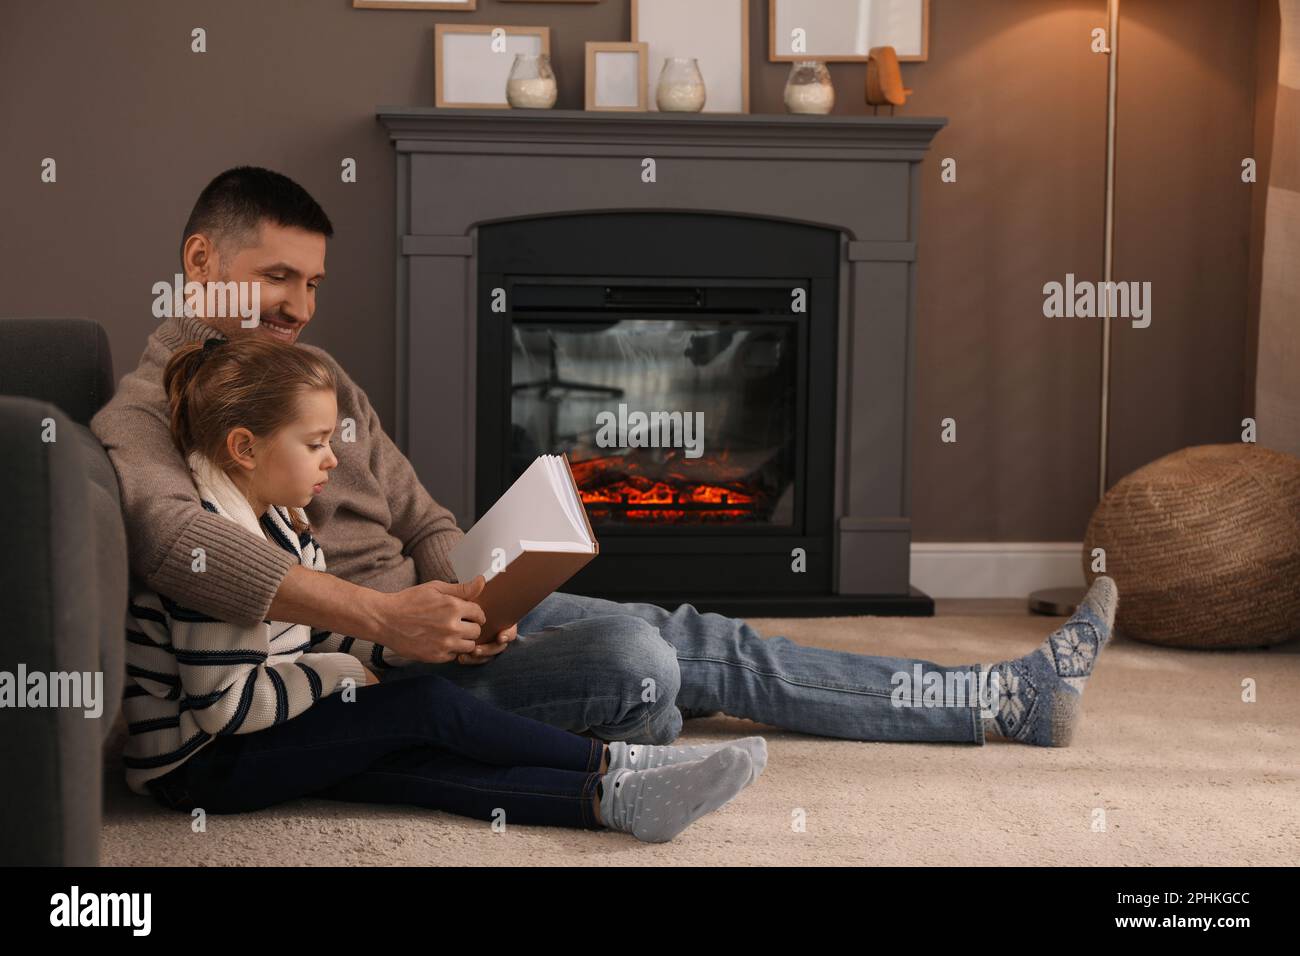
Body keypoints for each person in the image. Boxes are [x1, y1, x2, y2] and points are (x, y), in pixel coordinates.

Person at [92, 165, 1119, 761]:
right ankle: (639, 711)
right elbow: (175, 544)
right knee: (645, 662)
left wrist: (472, 584)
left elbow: (417, 509)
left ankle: (998, 697)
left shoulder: (312, 375)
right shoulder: (140, 412)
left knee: (695, 636)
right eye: (278, 276)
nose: (300, 306)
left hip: (442, 617)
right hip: (368, 665)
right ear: (199, 265)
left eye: (312, 282)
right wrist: (388, 618)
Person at [123, 334, 768, 842]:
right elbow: (225, 708)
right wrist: (343, 676)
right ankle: (616, 767)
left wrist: (403, 646)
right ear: (243, 448)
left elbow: (313, 633)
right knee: (422, 710)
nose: (333, 460)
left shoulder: (280, 520)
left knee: (416, 762)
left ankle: (613, 802)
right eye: (316, 443)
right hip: (201, 765)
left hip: (259, 726)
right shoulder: (220, 549)